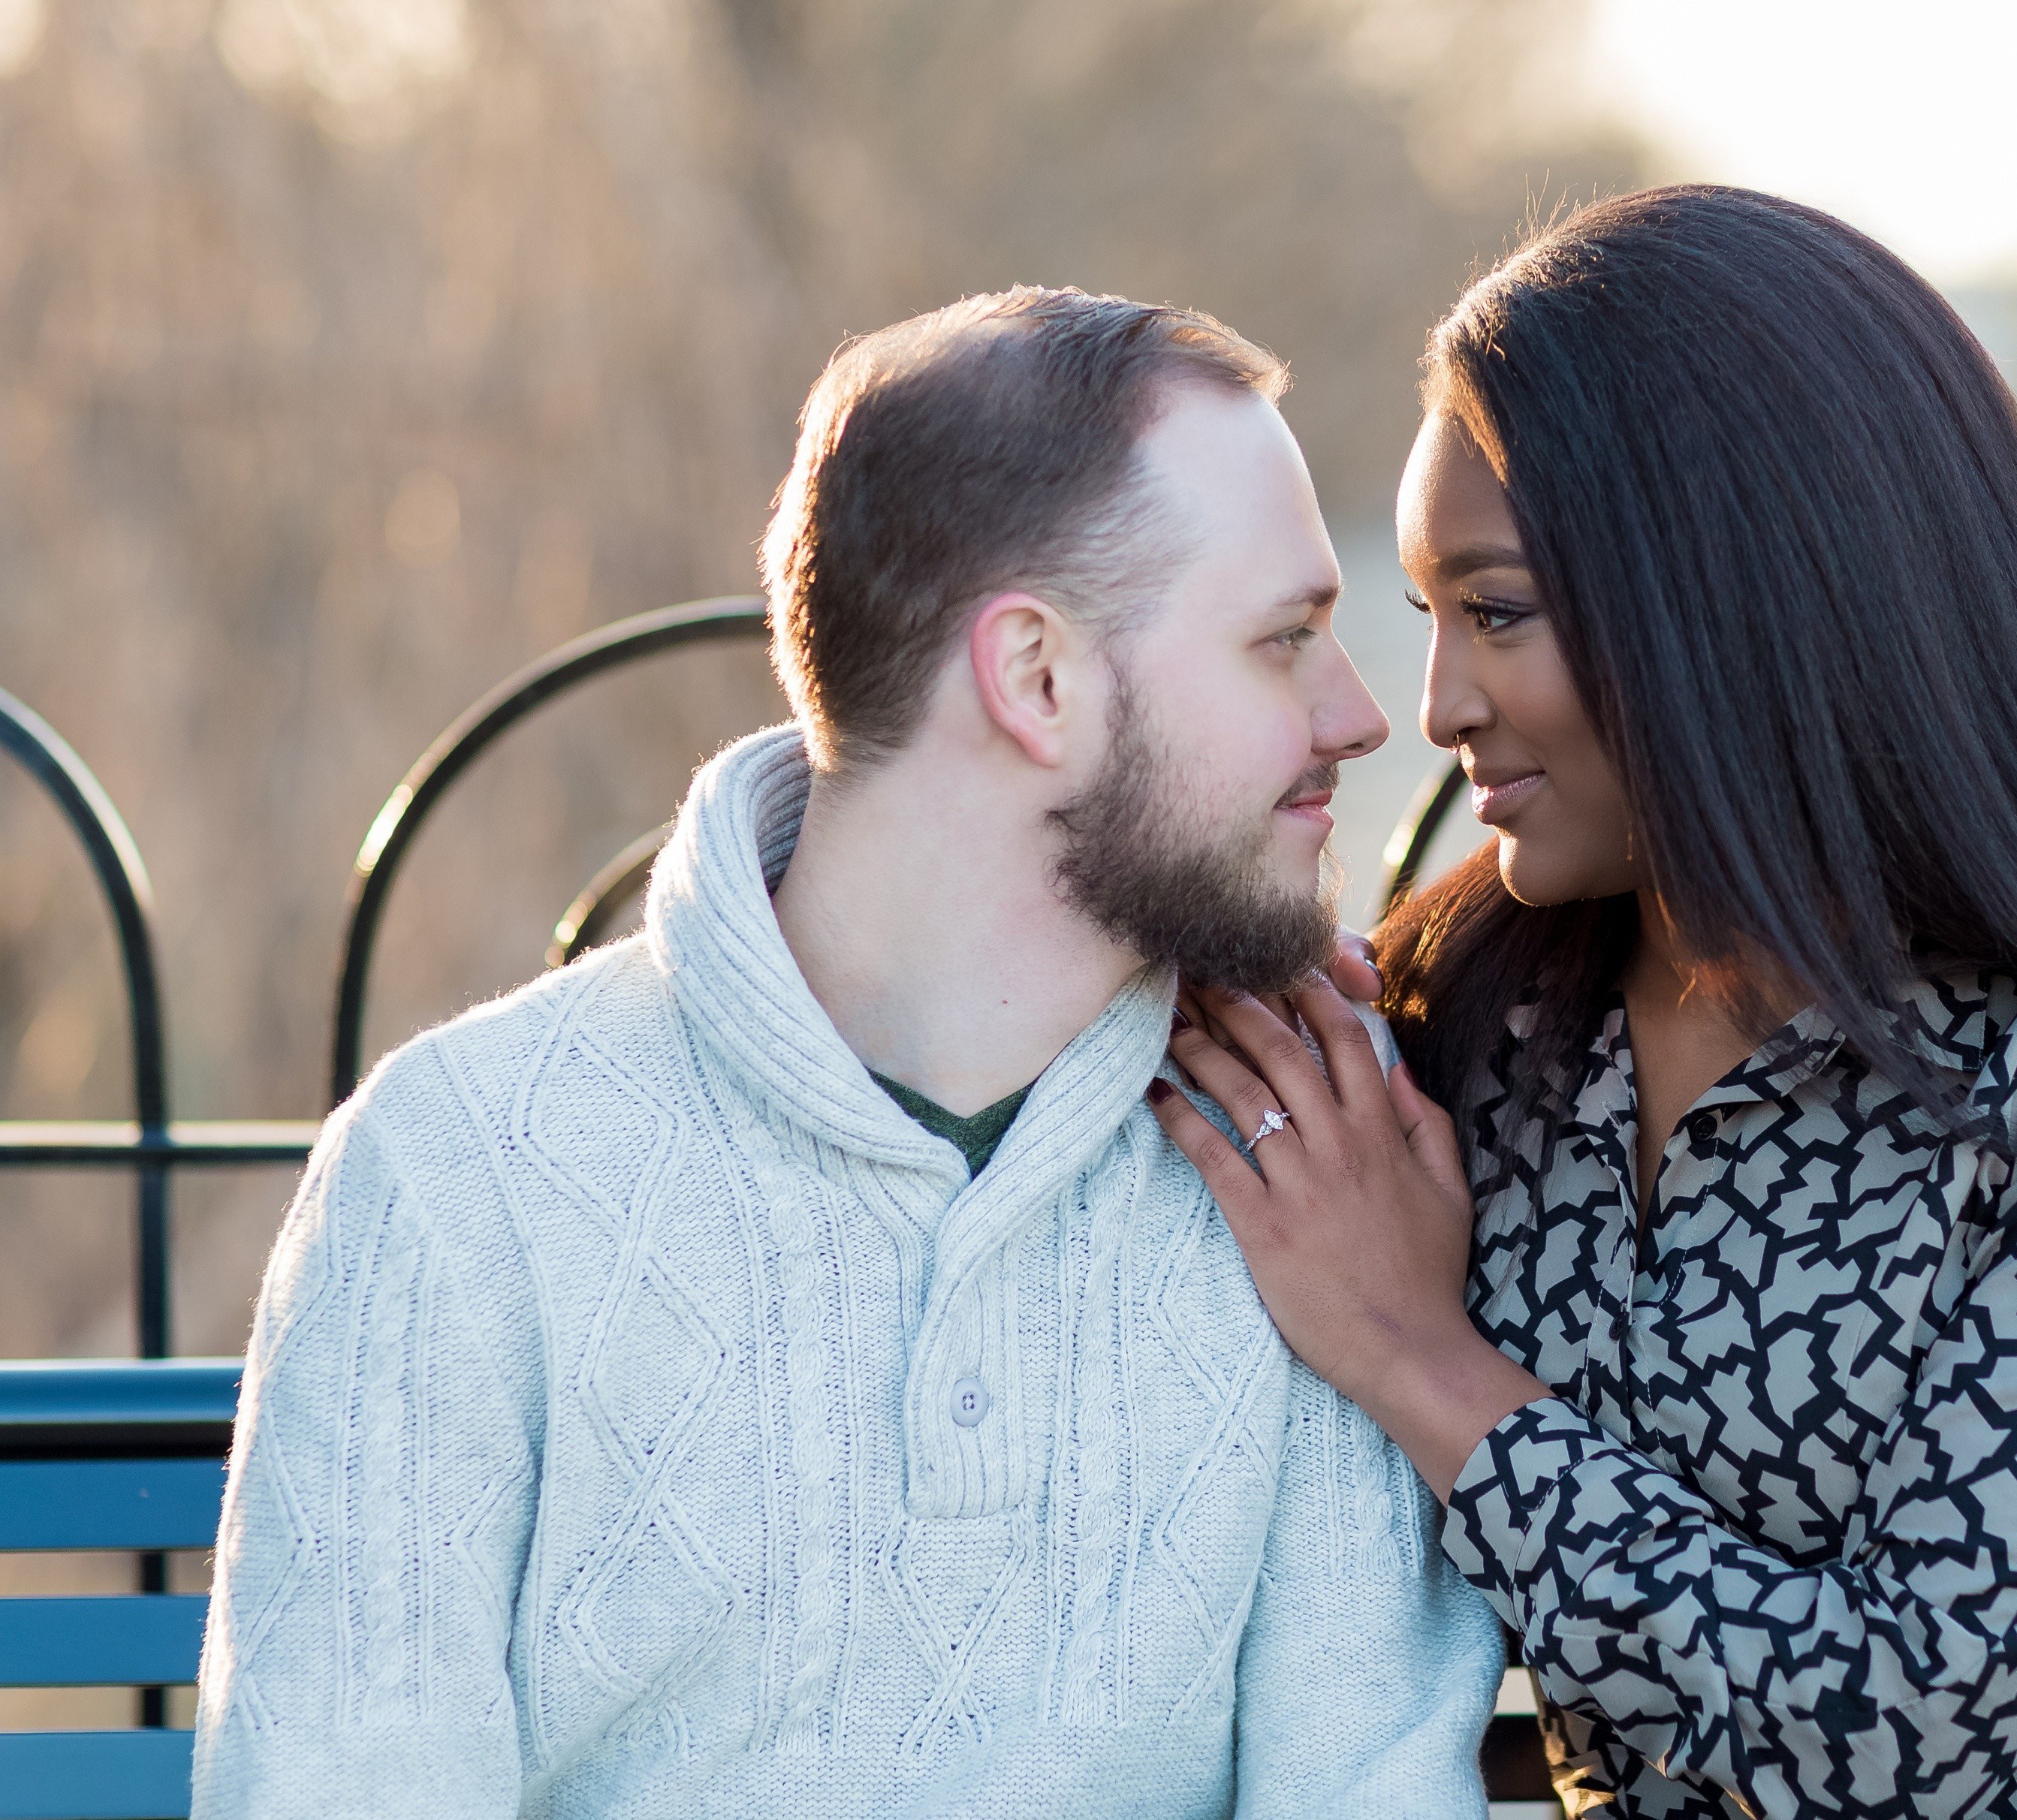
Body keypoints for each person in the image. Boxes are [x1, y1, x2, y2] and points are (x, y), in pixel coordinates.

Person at [1149, 187, 2017, 1820]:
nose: (1441, 704)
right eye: (1432, 618)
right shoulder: (1469, 1027)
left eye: (1498, 610)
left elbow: (1896, 1734)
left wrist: (1423, 1360)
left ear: (1735, 600)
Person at [191, 288, 1502, 1818]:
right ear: (1037, 680)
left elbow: (1370, 1790)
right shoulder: (459, 1174)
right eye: (1285, 642)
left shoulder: (1306, 1171)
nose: (1359, 717)